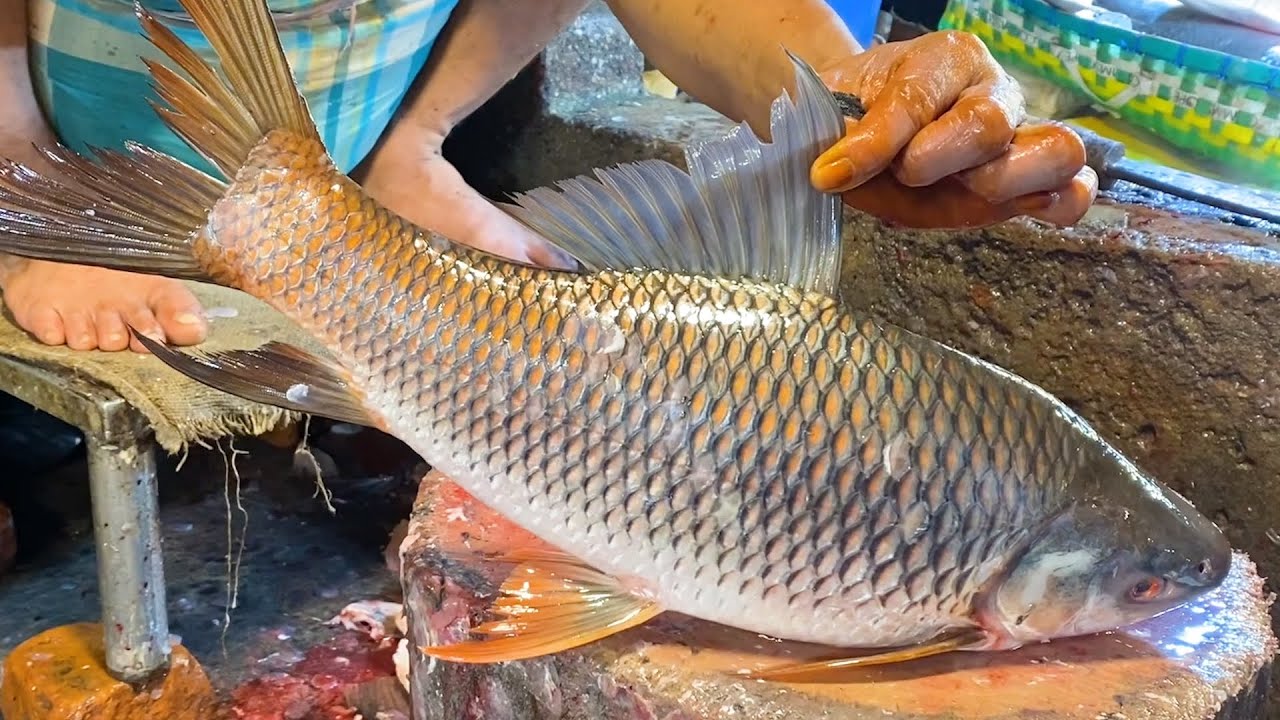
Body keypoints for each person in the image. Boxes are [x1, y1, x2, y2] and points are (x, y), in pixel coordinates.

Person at [0, 0, 1097, 356]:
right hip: (75, 123)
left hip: (347, 106)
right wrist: (25, 180)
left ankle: (403, 146)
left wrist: (843, 94)